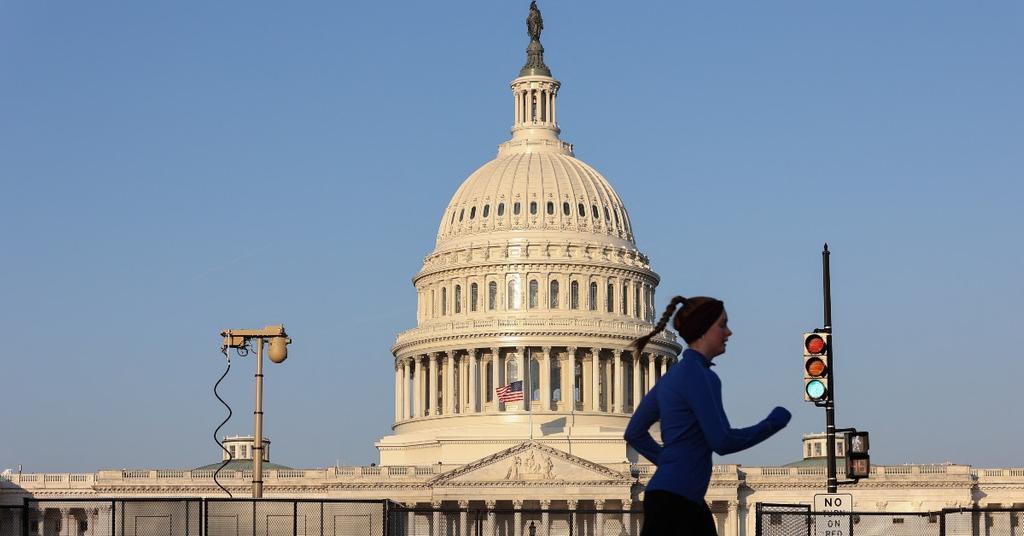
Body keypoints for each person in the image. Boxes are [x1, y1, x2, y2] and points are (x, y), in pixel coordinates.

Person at [624, 296, 792, 536]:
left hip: (664, 494)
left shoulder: (672, 377)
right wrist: (772, 423)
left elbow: (634, 432)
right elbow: (722, 441)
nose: (729, 332)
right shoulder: (702, 377)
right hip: (680, 500)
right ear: (703, 330)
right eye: (722, 325)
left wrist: (669, 463)